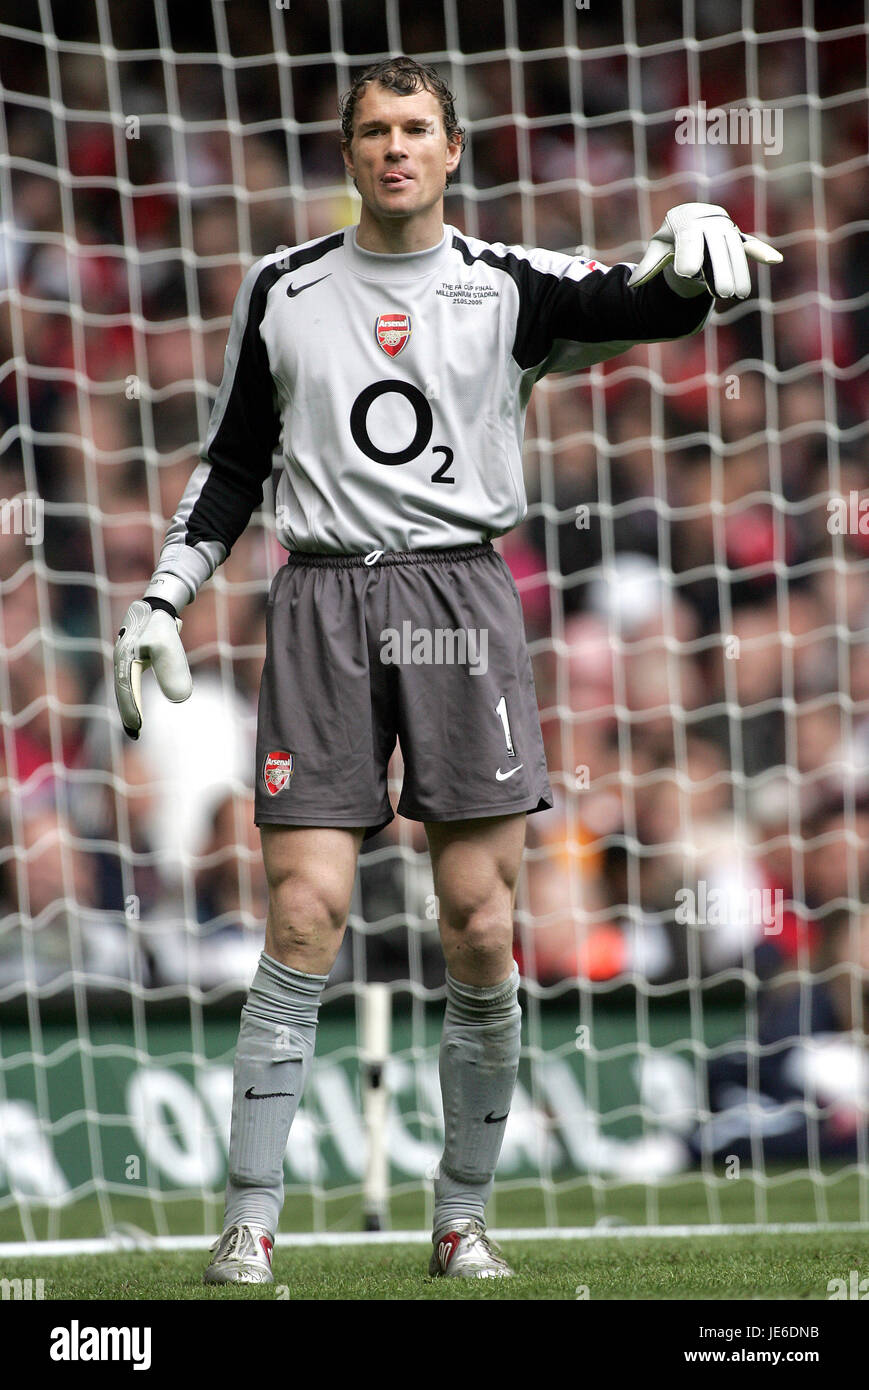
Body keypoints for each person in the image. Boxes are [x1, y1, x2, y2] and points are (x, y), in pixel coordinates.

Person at [112, 55, 781, 1283]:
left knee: (477, 922)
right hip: (318, 601)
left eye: (416, 127)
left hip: (461, 598)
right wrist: (164, 593)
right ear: (349, 152)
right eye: (373, 130)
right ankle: (250, 1215)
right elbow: (230, 464)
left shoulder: (505, 284)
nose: (394, 148)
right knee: (303, 911)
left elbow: (649, 304)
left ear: (453, 148)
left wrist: (687, 248)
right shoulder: (284, 289)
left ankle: (461, 1212)